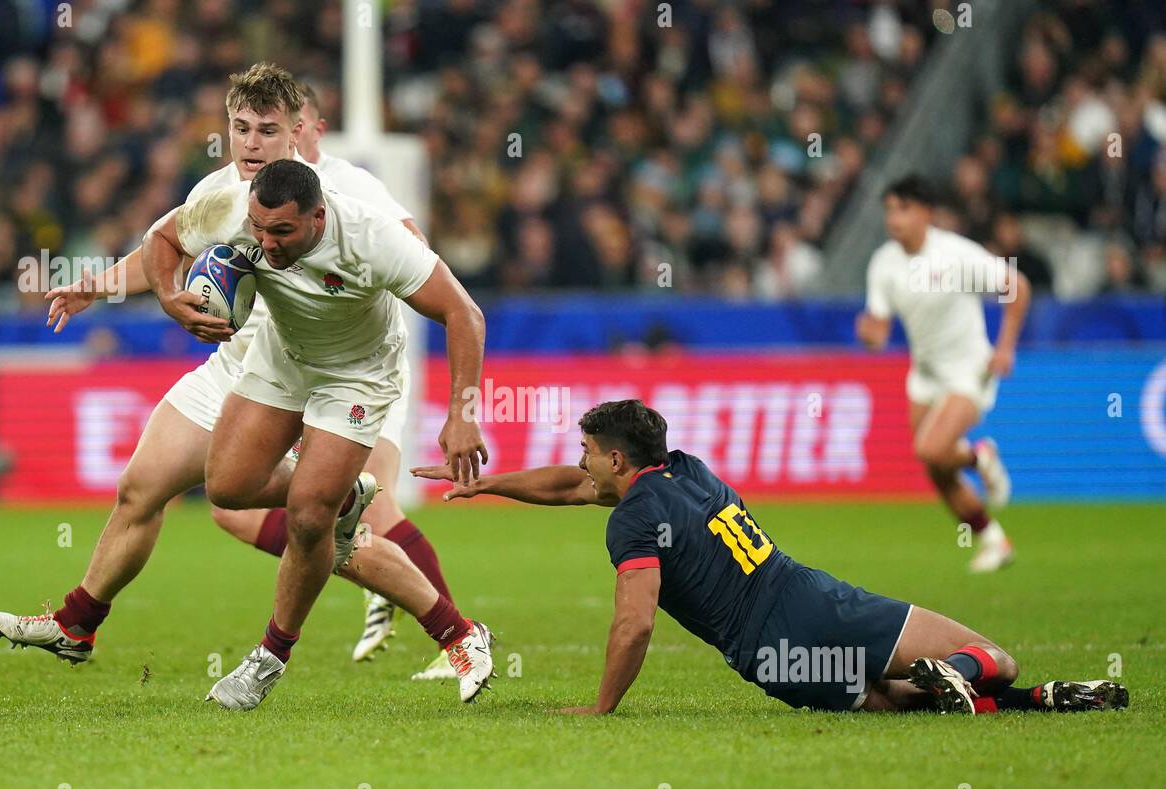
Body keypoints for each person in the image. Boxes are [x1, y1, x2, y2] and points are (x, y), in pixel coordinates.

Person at [44, 63, 458, 670]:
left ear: (298, 132)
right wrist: (98, 287)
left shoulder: (345, 190)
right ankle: (77, 623)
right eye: (241, 129)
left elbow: (414, 255)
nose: (252, 143)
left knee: (319, 510)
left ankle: (447, 627)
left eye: (267, 130)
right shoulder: (222, 189)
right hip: (238, 365)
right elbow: (169, 245)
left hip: (327, 368)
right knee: (181, 493)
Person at [413, 400, 1127, 716]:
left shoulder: (631, 519)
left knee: (894, 699)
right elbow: (571, 488)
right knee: (990, 655)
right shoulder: (685, 471)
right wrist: (484, 483)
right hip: (809, 600)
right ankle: (972, 676)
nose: (580, 462)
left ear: (618, 459)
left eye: (589, 451)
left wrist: (601, 709)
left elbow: (634, 625)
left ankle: (1035, 702)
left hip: (772, 663)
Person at [143, 158, 492, 709]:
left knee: (308, 517)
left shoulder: (372, 237)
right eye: (260, 229)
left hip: (356, 375)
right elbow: (161, 237)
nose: (267, 243)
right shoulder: (234, 210)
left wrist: (463, 415)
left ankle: (268, 658)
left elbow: (464, 313)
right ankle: (343, 495)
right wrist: (168, 297)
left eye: (282, 231)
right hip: (281, 357)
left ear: (318, 217)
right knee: (227, 489)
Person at [856, 176, 1032, 573]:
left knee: (931, 448)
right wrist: (868, 333)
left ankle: (978, 455)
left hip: (969, 370)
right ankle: (993, 539)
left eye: (903, 209)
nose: (894, 219)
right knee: (935, 468)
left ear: (926, 213)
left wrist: (1004, 348)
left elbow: (1017, 288)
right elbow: (878, 333)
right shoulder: (884, 262)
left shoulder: (955, 255)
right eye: (889, 210)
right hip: (926, 374)